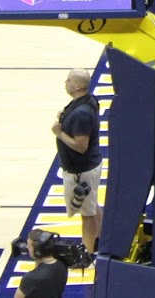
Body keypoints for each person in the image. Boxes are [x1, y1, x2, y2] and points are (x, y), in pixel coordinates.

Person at [53, 67, 105, 251]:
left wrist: (59, 133)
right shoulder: (88, 101)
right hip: (90, 165)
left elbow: (81, 146)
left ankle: (88, 252)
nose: (65, 83)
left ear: (76, 86)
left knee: (87, 214)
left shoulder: (81, 113)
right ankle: (101, 238)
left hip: (81, 171)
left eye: (68, 81)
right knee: (92, 206)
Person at [13, 231, 67, 298]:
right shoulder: (62, 266)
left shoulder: (30, 278)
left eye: (29, 246)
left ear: (37, 251)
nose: (26, 247)